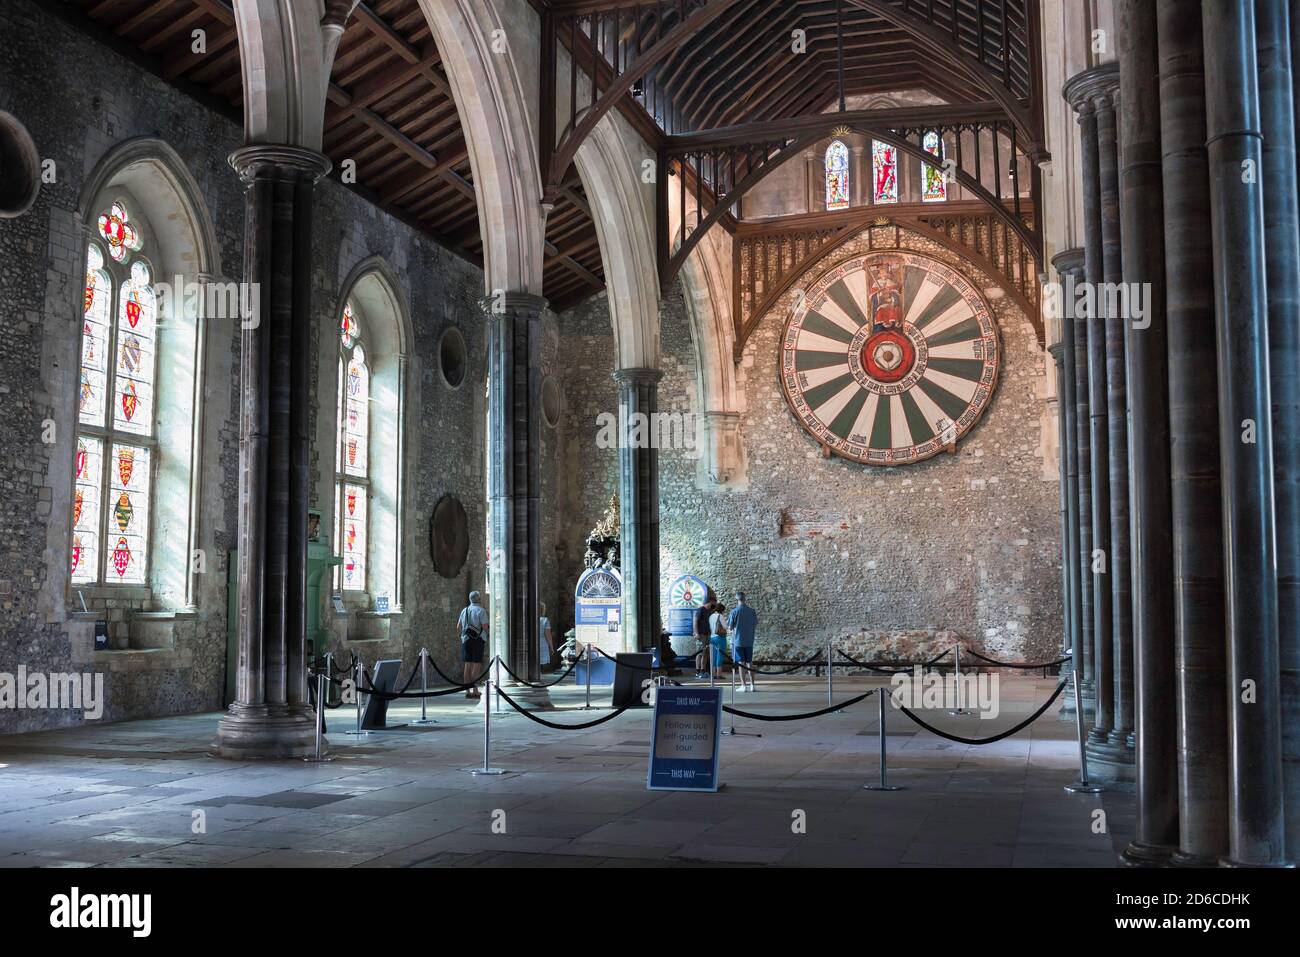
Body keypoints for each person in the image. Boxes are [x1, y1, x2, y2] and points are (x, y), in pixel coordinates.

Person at [456, 591, 489, 699]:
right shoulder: (481, 610)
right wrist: (489, 633)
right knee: (477, 664)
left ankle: (467, 690)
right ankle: (475, 690)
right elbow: (484, 626)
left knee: (467, 664)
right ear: (479, 599)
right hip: (478, 640)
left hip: (466, 639)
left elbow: (458, 627)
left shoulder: (464, 610)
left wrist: (462, 637)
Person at [727, 591, 759, 692]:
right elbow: (755, 624)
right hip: (749, 640)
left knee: (741, 663)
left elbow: (730, 626)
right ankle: (753, 685)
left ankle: (743, 685)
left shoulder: (734, 611)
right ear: (745, 599)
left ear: (737, 599)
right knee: (750, 662)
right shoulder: (752, 611)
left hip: (738, 640)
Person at [693, 598, 715, 679]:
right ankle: (698, 671)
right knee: (700, 653)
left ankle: (703, 670)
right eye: (713, 603)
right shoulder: (701, 609)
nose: (714, 605)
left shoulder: (709, 611)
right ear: (710, 602)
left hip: (707, 634)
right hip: (701, 635)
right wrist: (696, 633)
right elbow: (695, 621)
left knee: (705, 653)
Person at [709, 602, 729, 682]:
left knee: (713, 656)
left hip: (712, 637)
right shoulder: (720, 616)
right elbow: (725, 627)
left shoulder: (711, 616)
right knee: (720, 655)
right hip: (720, 637)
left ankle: (713, 674)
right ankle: (719, 674)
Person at [539, 602, 554, 672]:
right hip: (542, 644)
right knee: (540, 665)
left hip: (531, 645)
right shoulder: (545, 620)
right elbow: (548, 635)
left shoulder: (529, 619)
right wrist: (551, 647)